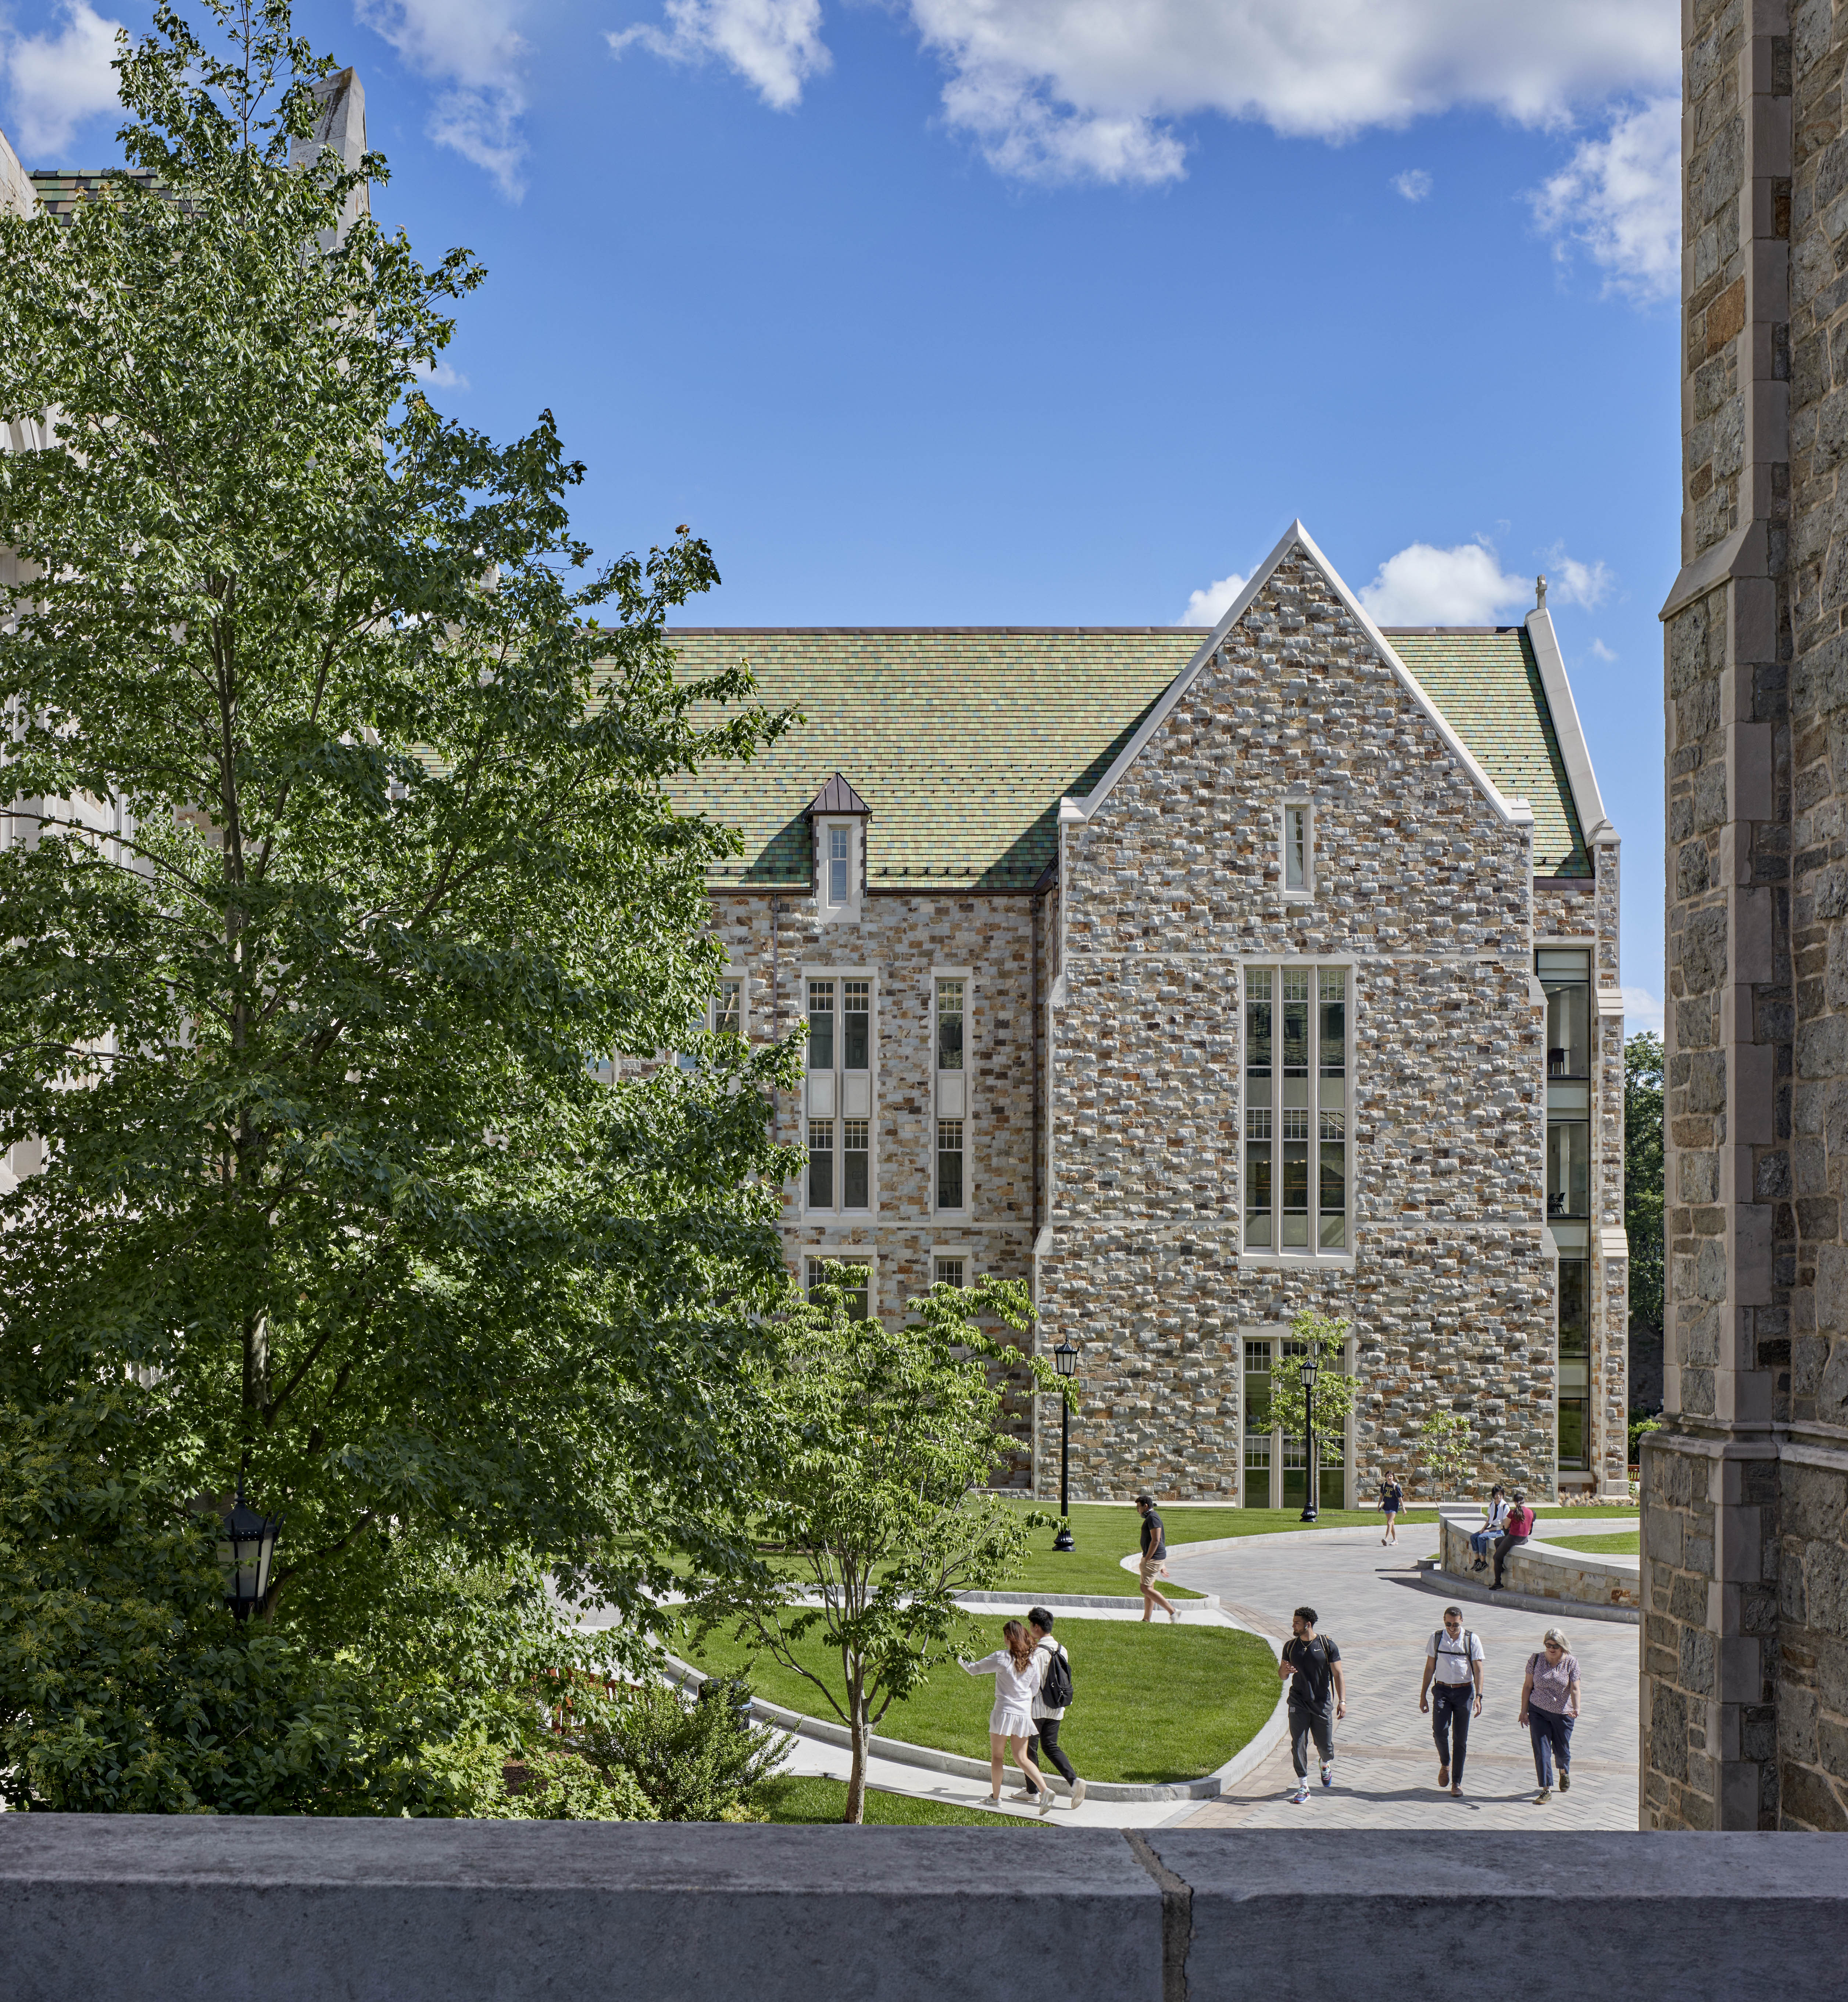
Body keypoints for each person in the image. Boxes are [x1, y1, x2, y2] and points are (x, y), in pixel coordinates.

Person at [962, 1618, 1051, 1812]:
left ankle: (995, 1798)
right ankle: (1045, 1790)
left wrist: (960, 1657)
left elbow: (973, 1669)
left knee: (997, 1757)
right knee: (1022, 1758)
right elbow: (1035, 1689)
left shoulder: (1002, 1657)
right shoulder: (1032, 1660)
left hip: (1003, 1712)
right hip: (1023, 1715)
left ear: (1009, 1638)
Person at [1013, 1608, 1087, 1812]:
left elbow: (1034, 1684)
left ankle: (1032, 1791)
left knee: (1029, 1751)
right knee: (1051, 1746)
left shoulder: (1036, 1653)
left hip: (1036, 1709)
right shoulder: (1062, 1649)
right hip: (1057, 1708)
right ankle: (1074, 1782)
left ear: (1037, 1627)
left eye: (1031, 1626)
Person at [1276, 1605, 1345, 1804]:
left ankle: (1325, 1764)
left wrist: (1342, 1701)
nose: (1293, 1626)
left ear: (1307, 1625)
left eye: (1296, 1623)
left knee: (1324, 1745)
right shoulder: (1290, 1646)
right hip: (1298, 1702)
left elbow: (1339, 1674)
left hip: (1322, 1702)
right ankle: (1304, 1786)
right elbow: (1282, 1675)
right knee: (1298, 1743)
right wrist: (1285, 1671)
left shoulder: (1327, 1645)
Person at [1417, 1605, 1484, 1797]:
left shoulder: (1471, 1639)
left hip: (1464, 1692)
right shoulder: (1437, 1638)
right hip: (1443, 1691)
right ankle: (1445, 1763)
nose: (1452, 1628)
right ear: (1444, 1621)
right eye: (1448, 1624)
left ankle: (1457, 1782)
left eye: (1455, 1624)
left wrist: (1479, 1696)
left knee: (1460, 1739)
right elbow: (1430, 1667)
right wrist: (1423, 1694)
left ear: (1462, 1621)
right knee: (1439, 1731)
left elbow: (1478, 1670)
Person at [1518, 1626, 1581, 1803]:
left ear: (1563, 1646)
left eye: (1556, 1646)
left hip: (1563, 1714)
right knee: (1542, 1750)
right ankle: (1546, 1788)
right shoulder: (1536, 1659)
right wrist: (1524, 1711)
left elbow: (1575, 1688)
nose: (1552, 1649)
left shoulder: (1572, 1662)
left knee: (1562, 1752)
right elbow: (1528, 1686)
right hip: (1538, 1711)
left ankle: (1564, 1771)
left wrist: (1577, 1708)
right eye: (1549, 1645)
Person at [1135, 1494, 1178, 1623]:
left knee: (1145, 1589)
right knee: (1149, 1589)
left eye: (1139, 1507)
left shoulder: (1153, 1518)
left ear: (1146, 1506)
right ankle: (1147, 1619)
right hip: (1155, 1558)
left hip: (1152, 1558)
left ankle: (1173, 1612)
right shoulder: (1152, 1517)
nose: (1138, 1510)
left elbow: (1156, 1541)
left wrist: (1148, 1558)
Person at [1490, 1490, 1535, 1590]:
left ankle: (1498, 1583)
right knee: (1497, 1541)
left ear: (1515, 1502)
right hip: (1524, 1539)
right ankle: (1500, 1566)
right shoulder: (1531, 1512)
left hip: (1513, 1539)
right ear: (1524, 1501)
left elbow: (1506, 1527)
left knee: (1496, 1558)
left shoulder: (1513, 1513)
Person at [1469, 1486, 1508, 1570]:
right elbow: (1489, 1520)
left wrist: (1489, 1530)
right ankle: (1477, 1560)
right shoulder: (1492, 1504)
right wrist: (1483, 1529)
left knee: (1481, 1538)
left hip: (1500, 1531)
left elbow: (1503, 1526)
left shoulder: (1505, 1507)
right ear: (1493, 1495)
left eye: (1501, 1494)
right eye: (1497, 1494)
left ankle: (1484, 1562)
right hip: (1492, 1528)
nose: (1499, 1497)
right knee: (1473, 1537)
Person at [1378, 1473, 1404, 1546]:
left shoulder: (1396, 1487)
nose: (1389, 1478)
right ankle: (1395, 1540)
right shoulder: (1384, 1485)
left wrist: (1404, 1509)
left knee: (1389, 1522)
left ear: (1393, 1477)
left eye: (1391, 1476)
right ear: (1386, 1477)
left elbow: (1400, 1499)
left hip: (1394, 1507)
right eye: (1388, 1476)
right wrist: (1378, 1506)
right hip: (1387, 1506)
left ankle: (1386, 1539)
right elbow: (1381, 1497)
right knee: (1392, 1524)